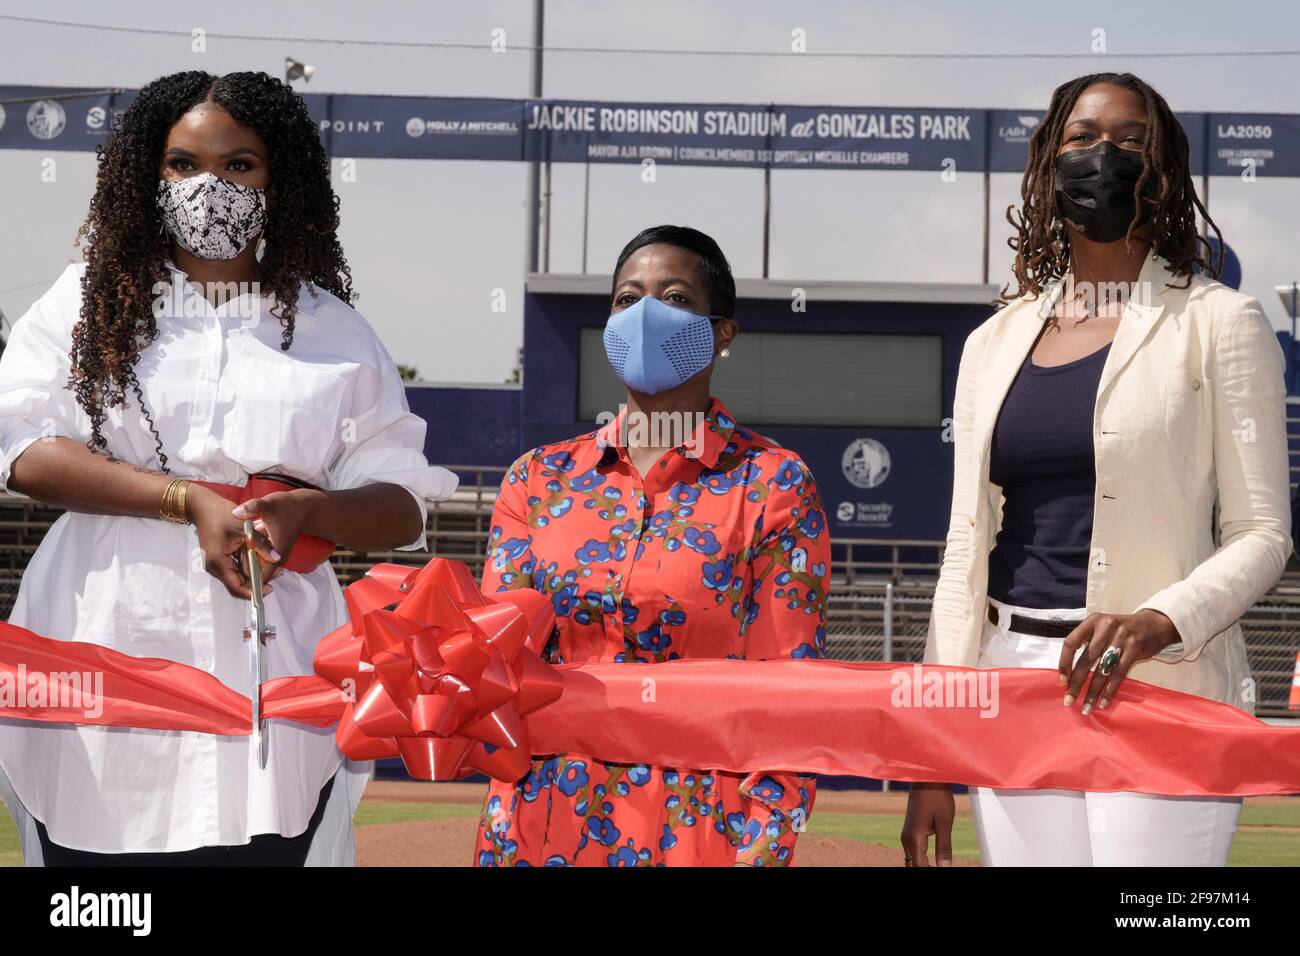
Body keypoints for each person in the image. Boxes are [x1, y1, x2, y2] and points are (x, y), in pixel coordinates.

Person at [0, 71, 457, 865]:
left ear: (280, 182)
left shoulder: (335, 332)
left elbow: (402, 502)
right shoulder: (82, 305)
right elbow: (23, 450)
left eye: (239, 165)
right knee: (103, 899)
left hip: (278, 678)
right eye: (182, 165)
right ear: (148, 177)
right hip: (100, 657)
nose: (208, 187)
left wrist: (309, 511)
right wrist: (184, 500)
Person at [903, 73, 1291, 867]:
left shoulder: (1221, 320)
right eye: (1081, 138)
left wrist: (1159, 620)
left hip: (1157, 678)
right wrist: (932, 745)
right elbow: (964, 547)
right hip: (1009, 679)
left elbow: (1263, 533)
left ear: (1164, 170)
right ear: (1050, 163)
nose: (1103, 155)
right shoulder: (993, 342)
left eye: (1130, 140)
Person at [474, 225, 830, 866]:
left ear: (723, 333)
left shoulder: (773, 484)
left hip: (702, 824)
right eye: (626, 298)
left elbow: (791, 691)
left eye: (675, 298)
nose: (644, 315)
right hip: (544, 816)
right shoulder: (538, 479)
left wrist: (765, 843)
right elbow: (496, 664)